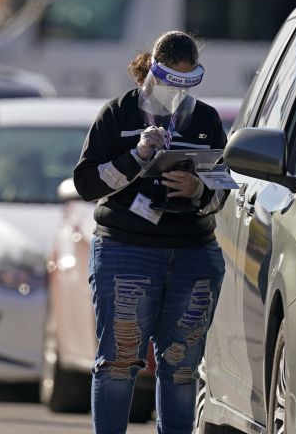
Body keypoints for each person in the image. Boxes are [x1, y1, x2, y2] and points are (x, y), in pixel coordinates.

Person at [73, 30, 228, 434]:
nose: (177, 91)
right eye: (169, 80)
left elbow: (222, 193)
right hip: (127, 247)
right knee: (119, 361)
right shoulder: (117, 114)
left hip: (193, 250)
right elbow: (88, 186)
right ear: (150, 72)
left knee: (181, 366)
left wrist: (198, 189)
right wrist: (136, 157)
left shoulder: (206, 119)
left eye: (188, 82)